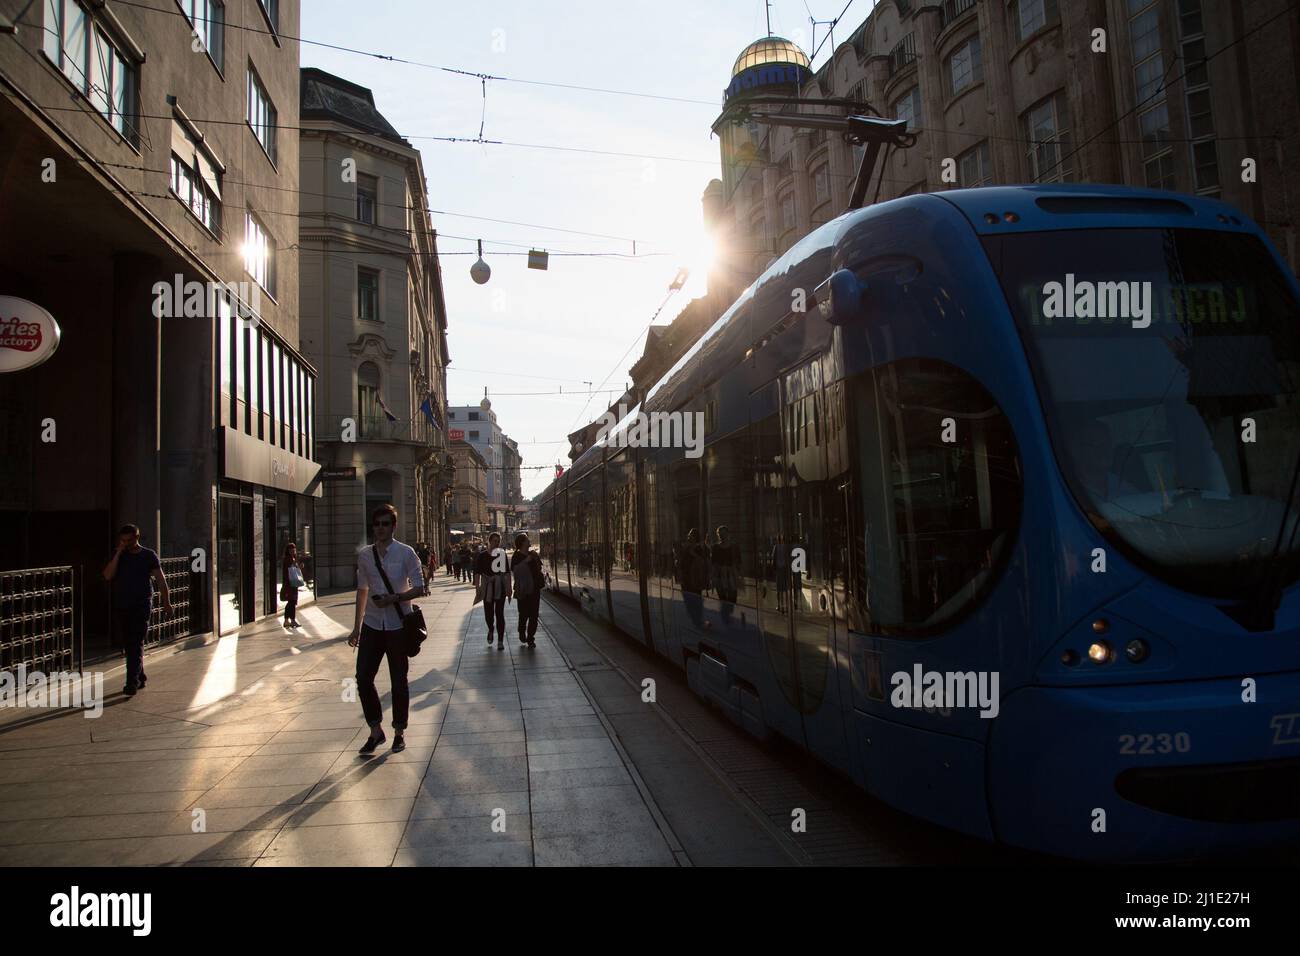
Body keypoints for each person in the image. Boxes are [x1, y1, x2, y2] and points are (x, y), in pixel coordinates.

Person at [348, 504, 424, 755]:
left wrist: (393, 598)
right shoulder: (365, 556)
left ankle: (399, 731)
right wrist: (356, 627)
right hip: (371, 624)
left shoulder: (406, 553)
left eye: (385, 524)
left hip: (397, 626)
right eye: (376, 524)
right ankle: (375, 730)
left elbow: (419, 588)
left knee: (398, 681)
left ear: (394, 526)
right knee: (362, 678)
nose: (380, 528)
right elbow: (362, 591)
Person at [102, 524, 171, 697]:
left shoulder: (148, 555)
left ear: (137, 537)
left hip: (142, 604)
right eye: (123, 541)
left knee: (136, 641)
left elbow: (161, 580)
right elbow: (108, 575)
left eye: (129, 540)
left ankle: (131, 682)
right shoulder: (120, 555)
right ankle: (140, 675)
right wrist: (118, 553)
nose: (126, 544)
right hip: (123, 604)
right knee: (129, 643)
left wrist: (166, 602)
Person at [474, 532, 512, 647]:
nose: (496, 543)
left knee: (500, 613)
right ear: (489, 541)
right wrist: (477, 588)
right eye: (494, 541)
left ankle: (500, 641)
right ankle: (491, 629)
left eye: (498, 541)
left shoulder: (501, 555)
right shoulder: (482, 556)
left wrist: (509, 588)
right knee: (489, 614)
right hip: (487, 587)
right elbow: (477, 573)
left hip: (499, 586)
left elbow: (506, 572)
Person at [510, 533, 545, 647]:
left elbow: (539, 568)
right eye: (527, 539)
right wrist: (526, 561)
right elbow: (515, 571)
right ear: (523, 543)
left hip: (535, 588)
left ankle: (531, 638)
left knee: (534, 615)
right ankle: (521, 631)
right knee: (524, 613)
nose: (529, 541)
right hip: (523, 589)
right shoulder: (516, 556)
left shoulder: (533, 554)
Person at [281, 542, 305, 628]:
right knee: (292, 602)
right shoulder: (288, 558)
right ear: (288, 550)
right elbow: (291, 568)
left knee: (291, 602)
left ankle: (287, 620)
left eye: (293, 549)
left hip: (291, 583)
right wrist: (298, 566)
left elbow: (294, 568)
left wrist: (298, 566)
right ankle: (292, 620)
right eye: (291, 549)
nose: (293, 551)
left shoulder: (292, 558)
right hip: (290, 584)